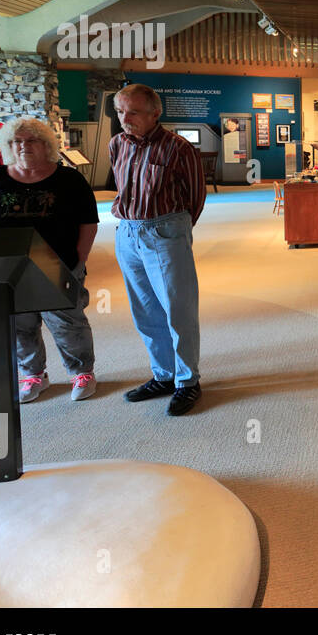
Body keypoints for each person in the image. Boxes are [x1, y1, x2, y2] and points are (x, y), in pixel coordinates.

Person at [0, 116, 99, 402]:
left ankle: (82, 372)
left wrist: (78, 263)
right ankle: (33, 374)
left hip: (58, 265)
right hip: (6, 269)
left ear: (46, 145)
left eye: (31, 140)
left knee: (67, 321)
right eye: (16, 142)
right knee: (19, 324)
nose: (23, 146)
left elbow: (88, 223)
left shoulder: (69, 180)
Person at [109, 84, 207, 416]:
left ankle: (187, 381)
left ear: (155, 113)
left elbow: (196, 199)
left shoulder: (178, 148)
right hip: (127, 233)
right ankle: (164, 375)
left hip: (165, 231)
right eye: (120, 111)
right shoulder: (117, 144)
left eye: (133, 112)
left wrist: (173, 232)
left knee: (177, 309)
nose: (125, 118)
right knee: (145, 311)